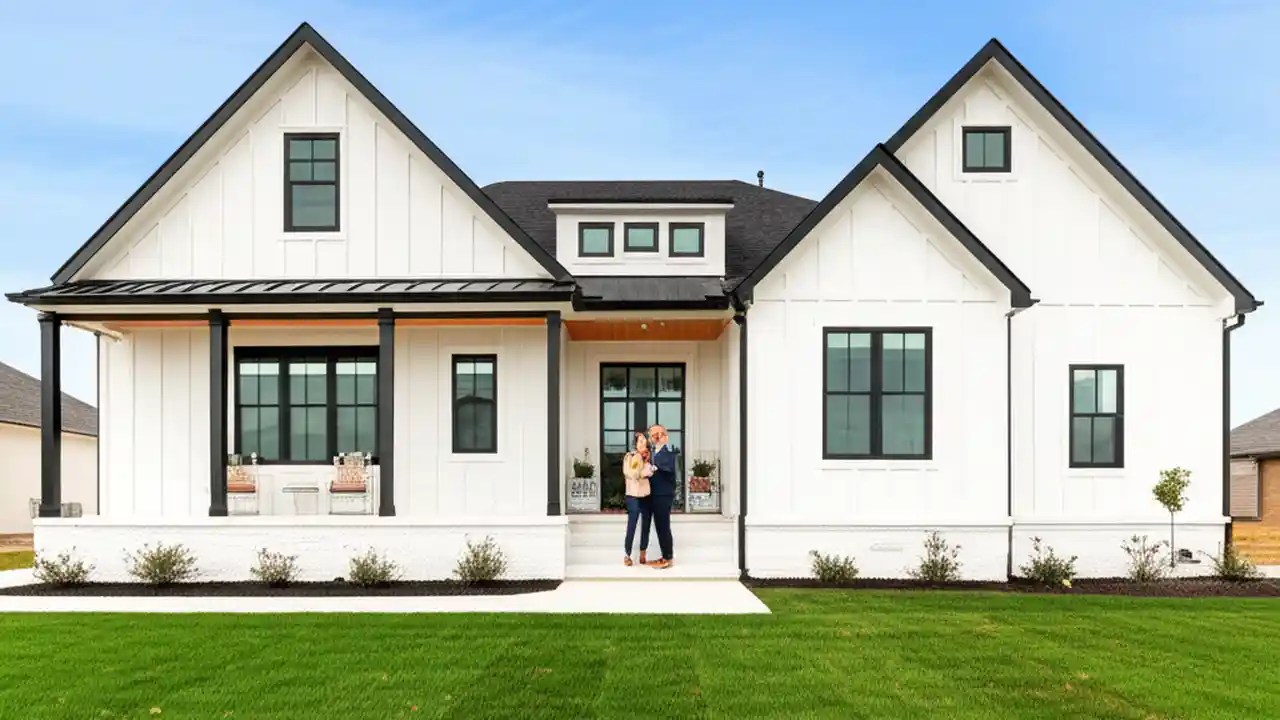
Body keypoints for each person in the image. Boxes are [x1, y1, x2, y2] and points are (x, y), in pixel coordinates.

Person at [647, 424, 677, 569]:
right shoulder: (651, 453)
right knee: (658, 526)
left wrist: (653, 467)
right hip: (652, 495)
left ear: (666, 436)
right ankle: (664, 555)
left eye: (660, 434)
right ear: (650, 438)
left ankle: (668, 558)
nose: (658, 437)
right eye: (654, 435)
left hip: (664, 494)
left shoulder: (669, 453)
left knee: (664, 526)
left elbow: (668, 468)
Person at [621, 432, 654, 566]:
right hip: (633, 495)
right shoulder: (630, 457)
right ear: (635, 443)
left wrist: (649, 469)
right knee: (632, 523)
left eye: (644, 441)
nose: (642, 443)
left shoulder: (649, 457)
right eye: (640, 441)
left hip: (646, 495)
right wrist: (644, 472)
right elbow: (630, 473)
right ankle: (627, 554)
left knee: (646, 524)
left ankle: (643, 552)